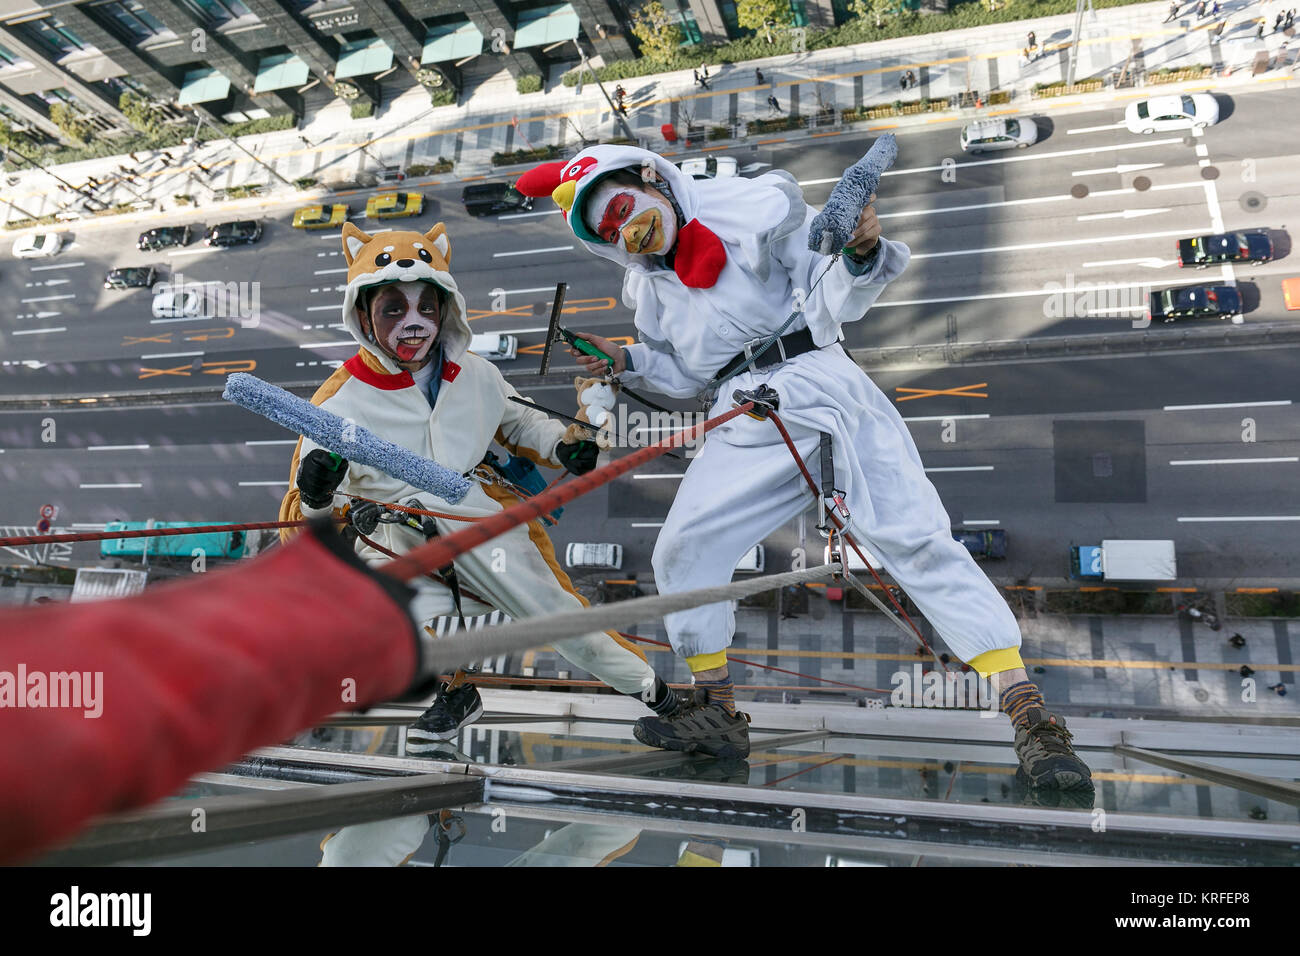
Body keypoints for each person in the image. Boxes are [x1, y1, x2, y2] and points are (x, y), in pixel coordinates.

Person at [510, 146, 1094, 790]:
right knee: (683, 548)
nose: (627, 232)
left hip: (823, 384)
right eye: (609, 233)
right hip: (744, 412)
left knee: (915, 539)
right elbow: (688, 372)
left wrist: (861, 252)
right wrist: (625, 359)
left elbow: (832, 285)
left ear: (649, 176)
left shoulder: (755, 209)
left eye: (622, 209)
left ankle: (1033, 721)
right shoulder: (649, 287)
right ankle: (718, 714)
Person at [279, 221, 681, 751]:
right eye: (394, 310)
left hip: (473, 516)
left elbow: (518, 421)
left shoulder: (475, 373)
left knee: (554, 618)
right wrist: (316, 493)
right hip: (394, 536)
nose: (414, 324)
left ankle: (670, 705)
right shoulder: (338, 402)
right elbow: (300, 527)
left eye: (427, 307)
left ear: (446, 308)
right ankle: (455, 690)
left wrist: (566, 445)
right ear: (363, 315)